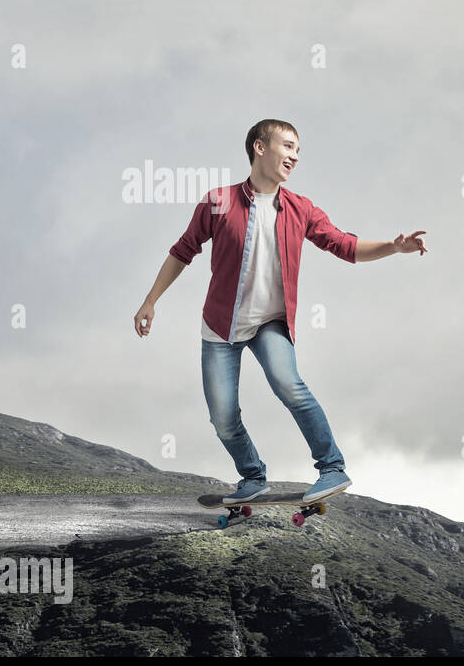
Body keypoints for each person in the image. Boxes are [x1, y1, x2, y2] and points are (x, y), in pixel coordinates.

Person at [133, 119, 427, 505]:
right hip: (220, 327)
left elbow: (346, 246)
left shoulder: (301, 208)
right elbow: (183, 250)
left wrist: (393, 246)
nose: (294, 156)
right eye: (288, 146)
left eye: (298, 150)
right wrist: (151, 300)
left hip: (270, 323)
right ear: (260, 147)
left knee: (289, 385)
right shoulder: (219, 201)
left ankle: (332, 467)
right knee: (222, 417)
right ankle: (253, 477)